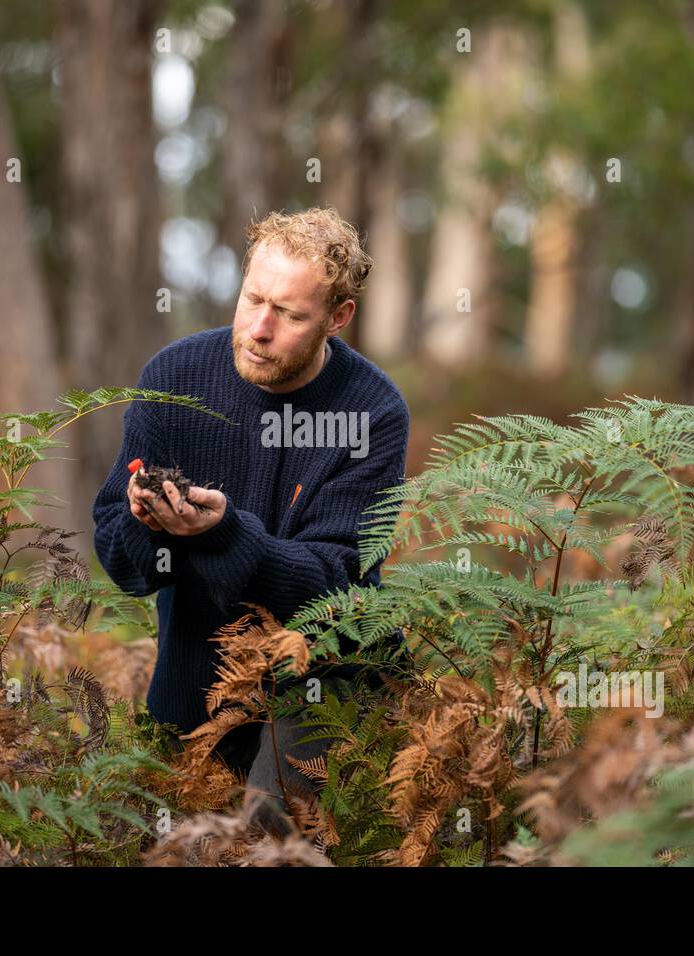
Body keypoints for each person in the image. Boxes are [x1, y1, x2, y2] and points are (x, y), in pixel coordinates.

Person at [91, 206, 410, 836]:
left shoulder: (372, 412)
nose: (259, 329)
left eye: (290, 315)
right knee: (152, 840)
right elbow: (124, 568)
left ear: (338, 318)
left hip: (320, 676)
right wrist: (148, 522)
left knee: (270, 835)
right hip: (194, 682)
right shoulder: (175, 378)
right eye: (252, 299)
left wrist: (224, 533)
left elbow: (337, 586)